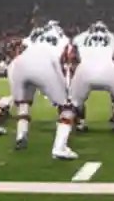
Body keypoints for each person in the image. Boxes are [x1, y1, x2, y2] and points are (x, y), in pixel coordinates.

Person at [7, 22, 79, 160]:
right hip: (45, 63)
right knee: (67, 108)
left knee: (23, 104)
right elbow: (66, 60)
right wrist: (64, 88)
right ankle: (60, 148)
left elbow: (19, 46)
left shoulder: (35, 35)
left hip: (20, 63)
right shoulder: (63, 39)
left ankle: (21, 136)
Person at [69, 22, 114, 142]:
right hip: (109, 68)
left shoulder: (81, 36)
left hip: (84, 68)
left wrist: (73, 68)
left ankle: (65, 130)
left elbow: (72, 56)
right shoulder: (111, 36)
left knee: (73, 105)